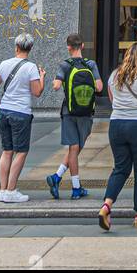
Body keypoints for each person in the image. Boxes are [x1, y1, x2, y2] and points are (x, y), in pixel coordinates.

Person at [98, 42, 137, 231]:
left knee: (120, 168)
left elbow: (112, 100)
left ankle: (106, 206)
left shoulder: (114, 76)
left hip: (116, 124)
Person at [0, 33, 46, 203]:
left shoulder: (4, 64)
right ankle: (11, 190)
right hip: (21, 113)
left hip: (4, 111)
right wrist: (42, 78)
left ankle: (3, 190)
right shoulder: (31, 68)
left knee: (7, 151)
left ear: (16, 47)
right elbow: (37, 92)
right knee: (21, 152)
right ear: (30, 48)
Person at [46, 33, 102, 201]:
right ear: (82, 46)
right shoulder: (91, 64)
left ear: (68, 47)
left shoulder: (65, 65)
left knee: (73, 148)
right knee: (76, 148)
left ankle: (58, 177)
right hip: (86, 112)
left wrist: (54, 80)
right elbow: (99, 87)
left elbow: (56, 86)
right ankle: (75, 187)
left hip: (69, 111)